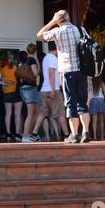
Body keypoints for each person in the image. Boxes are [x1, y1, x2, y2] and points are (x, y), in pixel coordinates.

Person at [38, 9, 91, 144]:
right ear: (68, 18)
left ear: (58, 20)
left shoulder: (57, 31)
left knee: (71, 103)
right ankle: (85, 132)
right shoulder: (81, 30)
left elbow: (39, 35)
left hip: (68, 71)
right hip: (82, 70)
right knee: (82, 103)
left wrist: (52, 22)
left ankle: (74, 135)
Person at [35, 40, 65, 141]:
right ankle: (66, 134)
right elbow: (51, 73)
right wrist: (53, 89)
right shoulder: (53, 58)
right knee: (60, 113)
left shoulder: (46, 58)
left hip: (44, 89)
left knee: (43, 113)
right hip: (53, 89)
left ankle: (34, 133)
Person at [18, 46, 44, 142]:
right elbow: (36, 73)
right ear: (35, 51)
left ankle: (27, 135)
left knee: (34, 113)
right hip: (31, 88)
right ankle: (26, 136)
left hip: (24, 88)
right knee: (31, 114)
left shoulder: (23, 61)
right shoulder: (32, 60)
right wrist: (39, 67)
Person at [0, 53, 22, 141]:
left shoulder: (3, 69)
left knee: (8, 113)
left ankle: (8, 134)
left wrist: (5, 84)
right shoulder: (17, 68)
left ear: (6, 60)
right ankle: (17, 133)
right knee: (17, 114)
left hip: (7, 92)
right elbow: (21, 79)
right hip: (16, 92)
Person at [88, 73, 105, 140]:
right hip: (101, 100)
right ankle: (102, 137)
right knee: (101, 121)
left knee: (94, 120)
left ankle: (95, 136)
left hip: (93, 100)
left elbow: (89, 94)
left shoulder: (91, 83)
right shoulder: (101, 83)